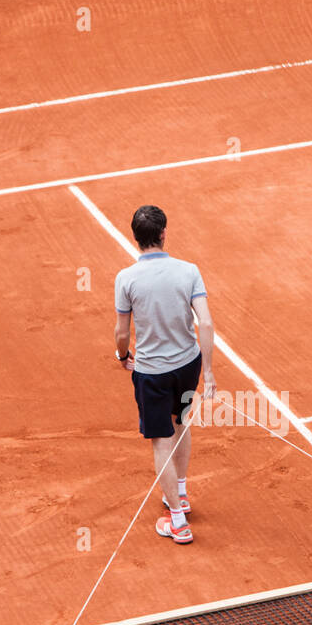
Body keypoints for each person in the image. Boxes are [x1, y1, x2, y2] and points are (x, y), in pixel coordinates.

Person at [113, 205, 215, 545]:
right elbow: (207, 323)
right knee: (180, 424)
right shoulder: (189, 271)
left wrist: (123, 356)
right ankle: (181, 494)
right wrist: (210, 373)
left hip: (152, 374)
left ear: (135, 238)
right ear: (164, 233)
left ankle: (178, 523)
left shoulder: (126, 279)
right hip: (189, 365)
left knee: (161, 441)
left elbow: (122, 333)